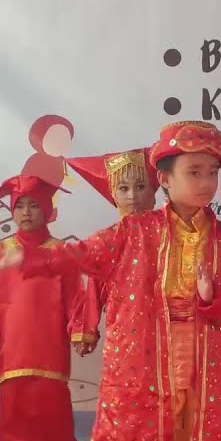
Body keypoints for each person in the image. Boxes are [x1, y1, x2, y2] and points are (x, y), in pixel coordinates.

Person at [0, 121, 221, 441]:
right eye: (194, 172)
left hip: (202, 352)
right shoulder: (134, 231)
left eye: (212, 173)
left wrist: (212, 301)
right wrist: (40, 259)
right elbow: (84, 255)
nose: (206, 183)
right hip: (147, 354)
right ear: (165, 179)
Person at [0, 175, 85, 441]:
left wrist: (80, 331)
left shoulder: (61, 252)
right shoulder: (2, 252)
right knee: (15, 402)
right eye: (20, 206)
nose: (26, 212)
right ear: (12, 212)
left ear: (47, 210)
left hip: (50, 339)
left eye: (34, 206)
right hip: (12, 342)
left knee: (51, 400)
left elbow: (75, 297)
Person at [64, 148, 158, 355]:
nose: (132, 196)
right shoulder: (108, 239)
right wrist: (86, 328)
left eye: (140, 186)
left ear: (154, 188)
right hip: (123, 333)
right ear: (112, 193)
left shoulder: (169, 232)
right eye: (123, 188)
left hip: (169, 333)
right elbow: (93, 286)